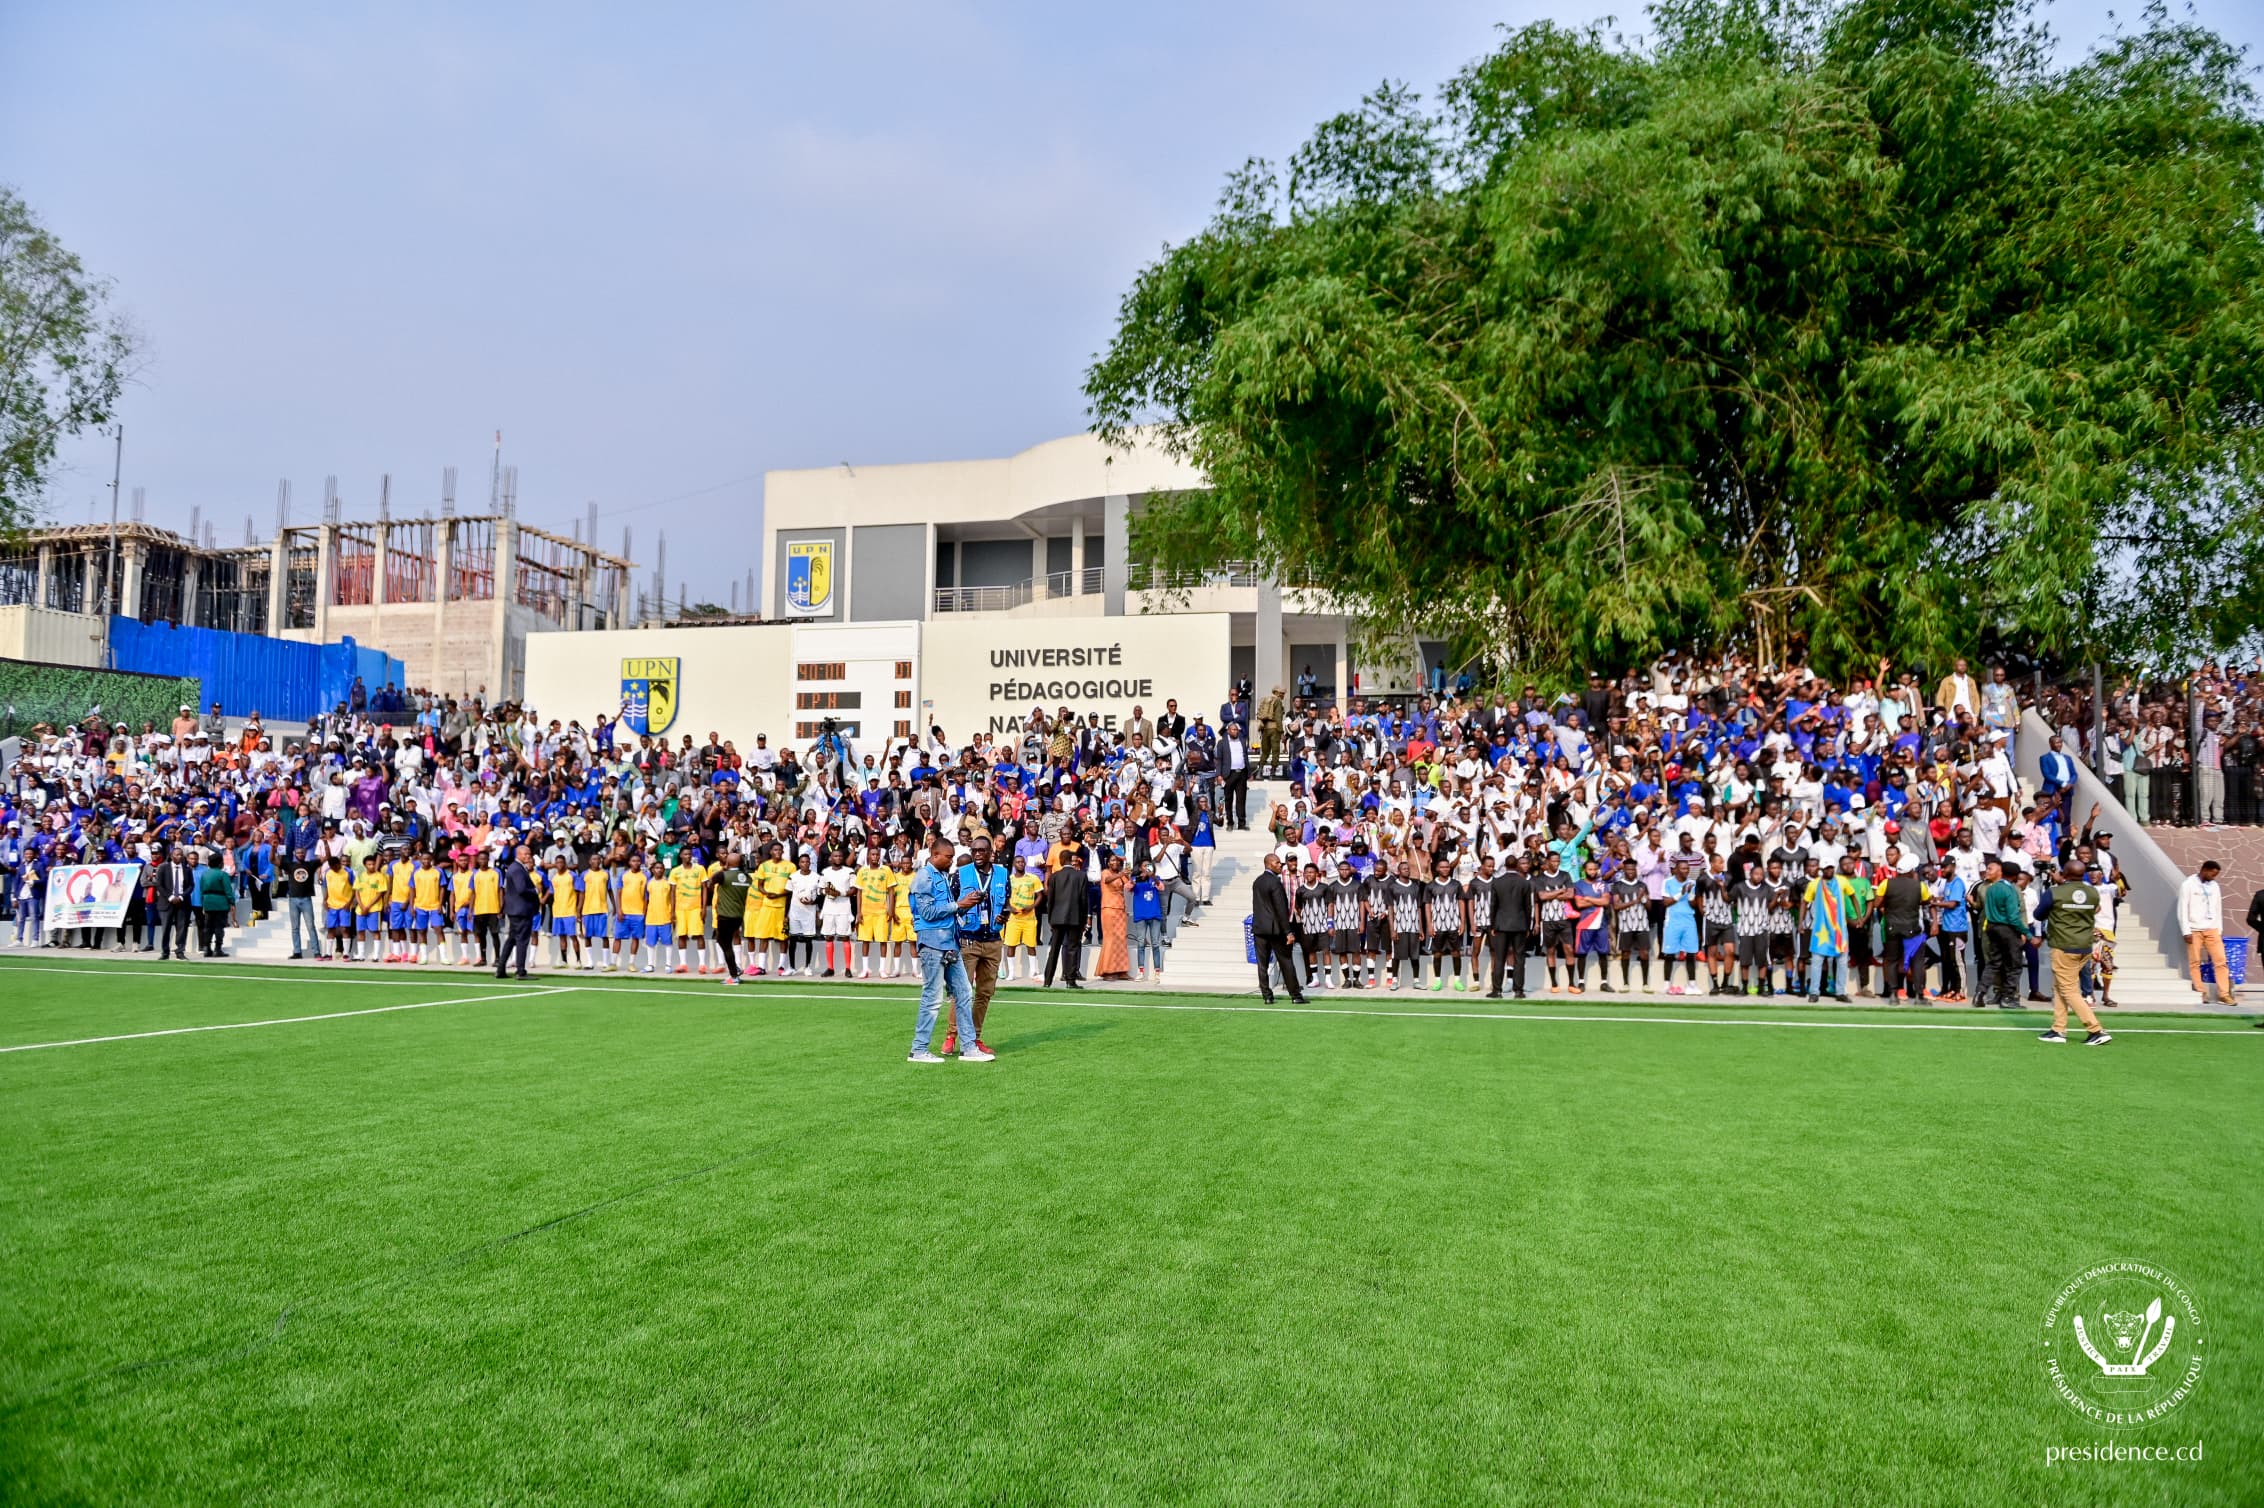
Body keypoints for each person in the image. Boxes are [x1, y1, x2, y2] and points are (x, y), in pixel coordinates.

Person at [907, 836, 987, 1063]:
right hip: (932, 944)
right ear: (935, 855)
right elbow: (928, 913)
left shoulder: (942, 876)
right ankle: (919, 1049)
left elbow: (946, 912)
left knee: (964, 993)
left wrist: (965, 904)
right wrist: (959, 905)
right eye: (948, 857)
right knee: (932, 997)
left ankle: (969, 1048)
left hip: (949, 943)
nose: (952, 861)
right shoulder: (923, 877)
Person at [951, 833, 1010, 1053]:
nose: (977, 854)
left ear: (990, 853)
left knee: (985, 993)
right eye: (974, 850)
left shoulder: (1003, 873)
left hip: (993, 940)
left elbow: (1007, 901)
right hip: (968, 940)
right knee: (962, 991)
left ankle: (975, 1037)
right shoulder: (960, 875)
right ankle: (951, 1035)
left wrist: (1004, 915)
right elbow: (950, 904)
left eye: (981, 850)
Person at [1250, 853, 1307, 1005]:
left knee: (1262, 965)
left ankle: (1267, 996)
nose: (1280, 865)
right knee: (1286, 962)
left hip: (1259, 929)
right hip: (1275, 930)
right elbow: (1281, 909)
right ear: (1268, 864)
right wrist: (1288, 931)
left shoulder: (1257, 881)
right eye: (1277, 863)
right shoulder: (1275, 882)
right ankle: (1295, 995)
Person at [2177, 859, 2231, 1006]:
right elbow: (2182, 908)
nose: (2214, 877)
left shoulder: (2215, 886)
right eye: (2212, 874)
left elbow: (2218, 907)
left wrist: (2218, 929)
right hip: (2194, 930)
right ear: (2205, 870)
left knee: (2221, 961)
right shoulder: (2188, 884)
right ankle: (2201, 992)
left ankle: (2224, 994)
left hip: (2212, 928)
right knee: (2195, 962)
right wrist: (2186, 931)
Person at [1043, 851, 1088, 988]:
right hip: (1075, 917)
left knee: (1054, 949)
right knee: (1072, 948)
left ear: (1062, 860)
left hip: (1057, 917)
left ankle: (1047, 981)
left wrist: (1050, 919)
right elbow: (1083, 900)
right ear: (1072, 859)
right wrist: (1084, 920)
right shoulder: (1081, 875)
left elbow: (1050, 901)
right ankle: (1070, 981)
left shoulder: (1055, 876)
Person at [497, 844, 541, 980]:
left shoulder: (518, 868)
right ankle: (520, 971)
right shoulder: (517, 869)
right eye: (525, 854)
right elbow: (521, 889)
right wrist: (534, 891)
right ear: (518, 854)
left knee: (511, 940)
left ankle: (501, 969)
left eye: (529, 854)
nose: (528, 856)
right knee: (522, 940)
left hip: (516, 909)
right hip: (521, 910)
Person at [1096, 853, 1132, 981]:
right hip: (1109, 908)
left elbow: (1130, 887)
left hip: (1120, 909)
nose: (1115, 862)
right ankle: (1107, 971)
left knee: (1121, 939)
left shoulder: (1122, 875)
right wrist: (1121, 874)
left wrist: (1130, 877)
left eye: (1117, 860)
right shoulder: (1105, 872)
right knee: (1110, 939)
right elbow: (1107, 881)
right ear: (1108, 863)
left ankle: (1121, 970)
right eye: (1112, 860)